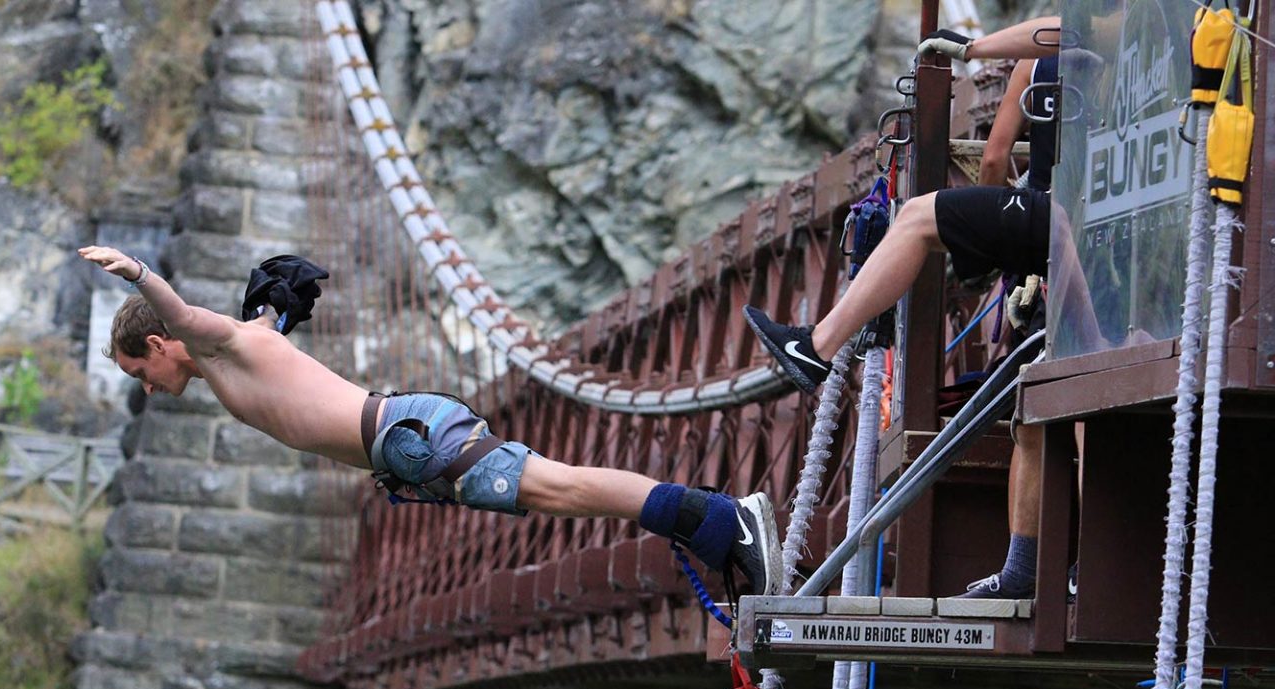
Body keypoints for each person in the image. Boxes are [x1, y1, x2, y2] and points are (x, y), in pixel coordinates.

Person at [78, 245, 784, 603]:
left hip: (411, 437)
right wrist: (283, 307)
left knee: (559, 490)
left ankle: (723, 521)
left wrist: (139, 273)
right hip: (408, 446)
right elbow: (269, 327)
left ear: (160, 345)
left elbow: (186, 316)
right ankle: (717, 524)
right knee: (555, 492)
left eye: (142, 373)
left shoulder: (213, 343)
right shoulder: (237, 352)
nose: (151, 388)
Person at [744, 19, 1077, 600]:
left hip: (1059, 222)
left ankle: (818, 349)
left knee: (921, 219)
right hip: (1090, 233)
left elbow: (996, 159)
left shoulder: (1055, 45)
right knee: (1046, 401)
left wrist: (969, 49)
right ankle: (1046, 571)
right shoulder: (1126, 35)